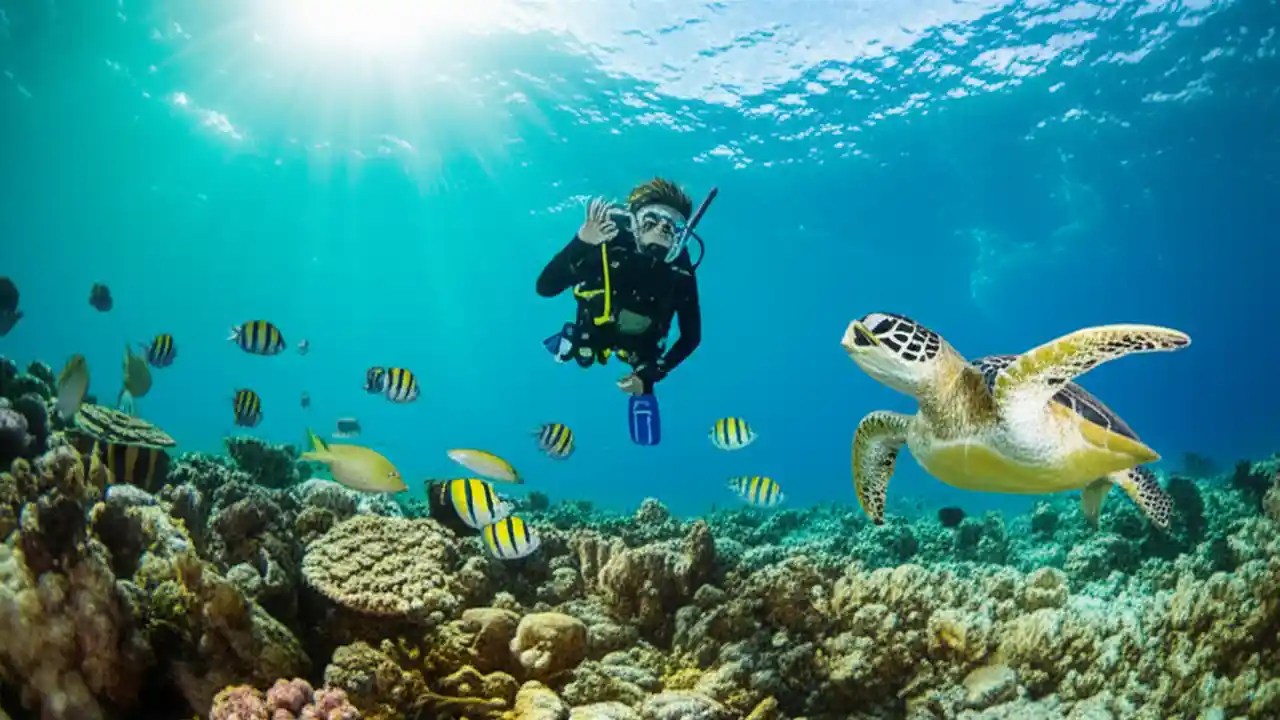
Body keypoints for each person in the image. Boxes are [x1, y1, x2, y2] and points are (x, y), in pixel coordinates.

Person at [537, 178, 711, 442]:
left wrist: (652, 374)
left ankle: (642, 381)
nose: (663, 229)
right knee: (580, 348)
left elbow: (691, 337)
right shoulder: (607, 240)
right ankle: (568, 342)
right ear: (634, 221)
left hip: (642, 346)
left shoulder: (681, 269)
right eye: (652, 219)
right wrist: (582, 241)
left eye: (673, 226)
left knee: (645, 368)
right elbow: (546, 287)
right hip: (594, 331)